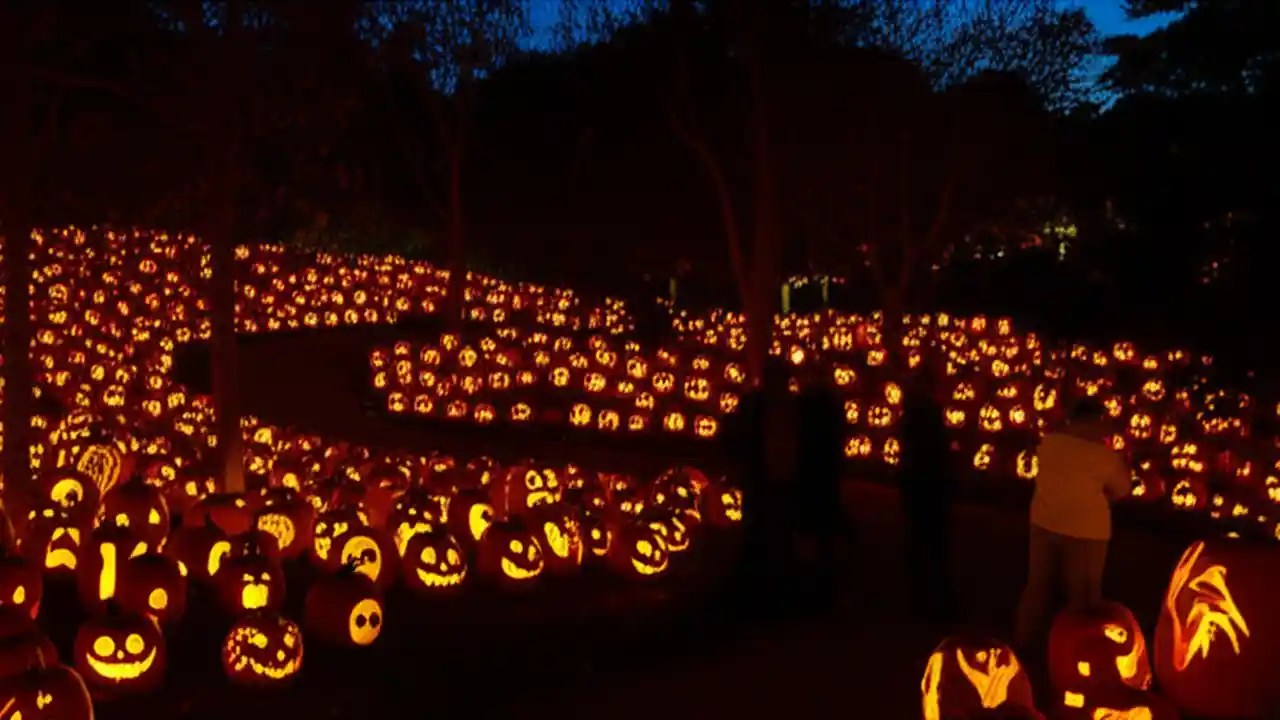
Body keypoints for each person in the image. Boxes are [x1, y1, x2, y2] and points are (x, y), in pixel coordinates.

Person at [1014, 395, 1131, 652]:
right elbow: (1122, 489)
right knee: (1083, 595)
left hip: (1045, 522)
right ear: (1093, 422)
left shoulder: (1049, 444)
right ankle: (1076, 651)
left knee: (1038, 586)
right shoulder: (1102, 456)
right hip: (1086, 531)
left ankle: (1025, 641)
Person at [721, 358, 796, 621]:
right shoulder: (755, 405)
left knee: (776, 537)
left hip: (780, 477)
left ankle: (772, 597)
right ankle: (754, 595)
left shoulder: (790, 408)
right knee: (757, 533)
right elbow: (736, 434)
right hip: (760, 475)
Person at [898, 368, 957, 622]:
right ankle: (935, 599)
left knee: (919, 540)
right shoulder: (928, 416)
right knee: (934, 544)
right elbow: (936, 450)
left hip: (915, 484)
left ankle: (920, 597)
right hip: (931, 484)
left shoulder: (909, 416)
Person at [791, 366, 851, 614]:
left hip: (817, 471)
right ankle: (818, 584)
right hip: (818, 472)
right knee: (817, 529)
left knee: (817, 529)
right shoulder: (819, 405)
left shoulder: (810, 406)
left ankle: (818, 585)